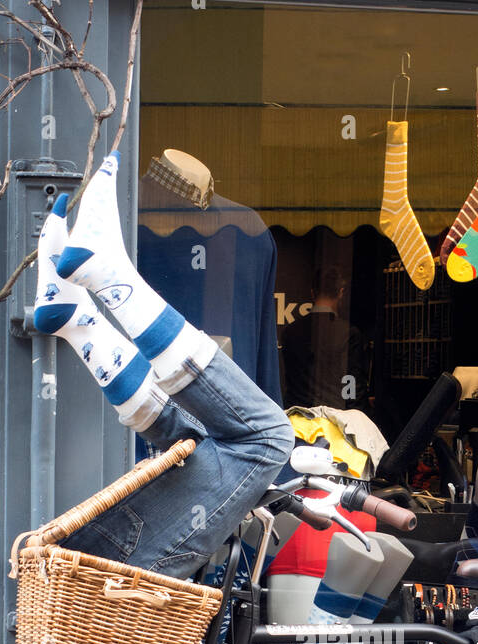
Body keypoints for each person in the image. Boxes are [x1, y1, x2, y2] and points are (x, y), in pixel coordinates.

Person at [32, 154, 294, 579]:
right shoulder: (245, 228)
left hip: (109, 574)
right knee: (267, 436)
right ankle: (108, 285)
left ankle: (82, 320)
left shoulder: (245, 229)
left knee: (208, 441)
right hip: (119, 575)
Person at [280, 266, 370, 410]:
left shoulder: (290, 332)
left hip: (298, 421)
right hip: (334, 420)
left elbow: (288, 382)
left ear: (312, 293)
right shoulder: (349, 334)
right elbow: (352, 384)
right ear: (341, 293)